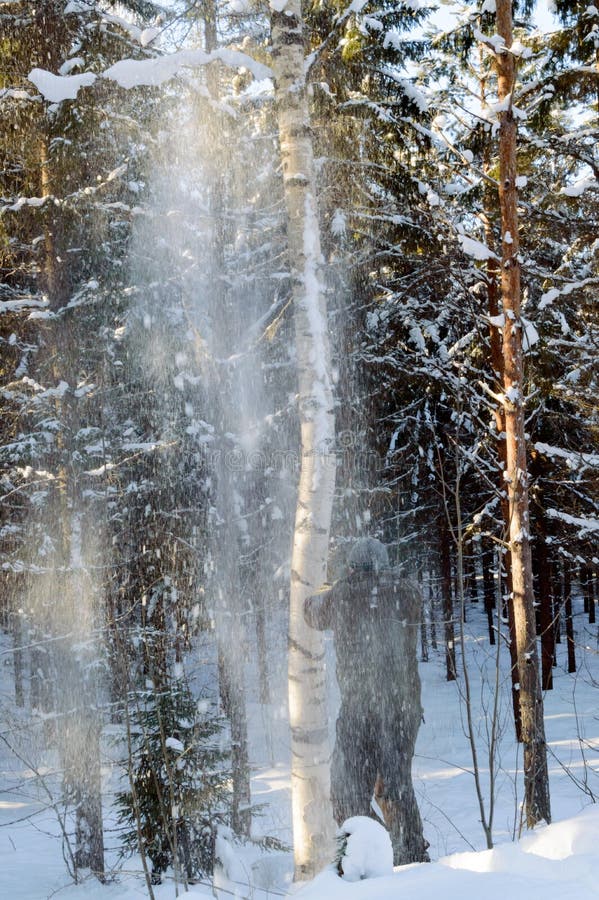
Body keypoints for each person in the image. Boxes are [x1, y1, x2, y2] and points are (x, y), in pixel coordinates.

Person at [304, 537, 429, 866]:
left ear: (351, 568)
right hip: (402, 711)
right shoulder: (406, 593)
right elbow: (409, 594)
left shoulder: (342, 595)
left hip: (360, 712)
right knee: (395, 787)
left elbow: (309, 612)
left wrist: (332, 585)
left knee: (346, 795)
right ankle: (410, 856)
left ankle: (372, 855)